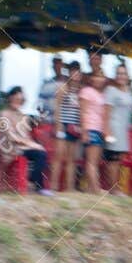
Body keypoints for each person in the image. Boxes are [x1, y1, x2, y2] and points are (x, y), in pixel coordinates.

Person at [0, 87, 47, 193]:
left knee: (41, 153)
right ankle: (33, 182)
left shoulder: (24, 116)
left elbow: (27, 137)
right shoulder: (4, 114)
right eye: (15, 99)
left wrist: (34, 145)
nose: (18, 102)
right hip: (10, 148)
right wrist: (33, 145)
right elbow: (11, 137)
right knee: (39, 153)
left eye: (20, 100)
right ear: (10, 99)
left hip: (23, 147)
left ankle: (36, 184)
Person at [49, 62, 84, 194]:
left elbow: (81, 112)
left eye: (78, 72)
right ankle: (53, 187)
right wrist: (58, 126)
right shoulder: (63, 87)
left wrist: (80, 127)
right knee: (59, 156)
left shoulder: (80, 90)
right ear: (69, 73)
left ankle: (70, 188)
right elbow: (57, 108)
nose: (75, 75)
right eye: (73, 72)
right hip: (62, 125)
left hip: (74, 127)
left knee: (71, 159)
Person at [103, 62, 132, 172]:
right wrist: (107, 132)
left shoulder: (129, 92)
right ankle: (113, 188)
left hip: (124, 130)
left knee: (120, 159)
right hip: (113, 128)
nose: (121, 76)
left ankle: (115, 187)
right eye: (118, 73)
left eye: (123, 73)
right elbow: (106, 113)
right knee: (113, 158)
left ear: (127, 76)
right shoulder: (111, 90)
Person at [79, 70, 108, 194]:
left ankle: (90, 188)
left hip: (99, 129)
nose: (99, 79)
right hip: (91, 128)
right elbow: (83, 112)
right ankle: (96, 189)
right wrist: (84, 131)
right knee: (92, 161)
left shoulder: (102, 94)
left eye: (101, 77)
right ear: (91, 78)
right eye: (97, 76)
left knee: (94, 161)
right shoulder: (86, 91)